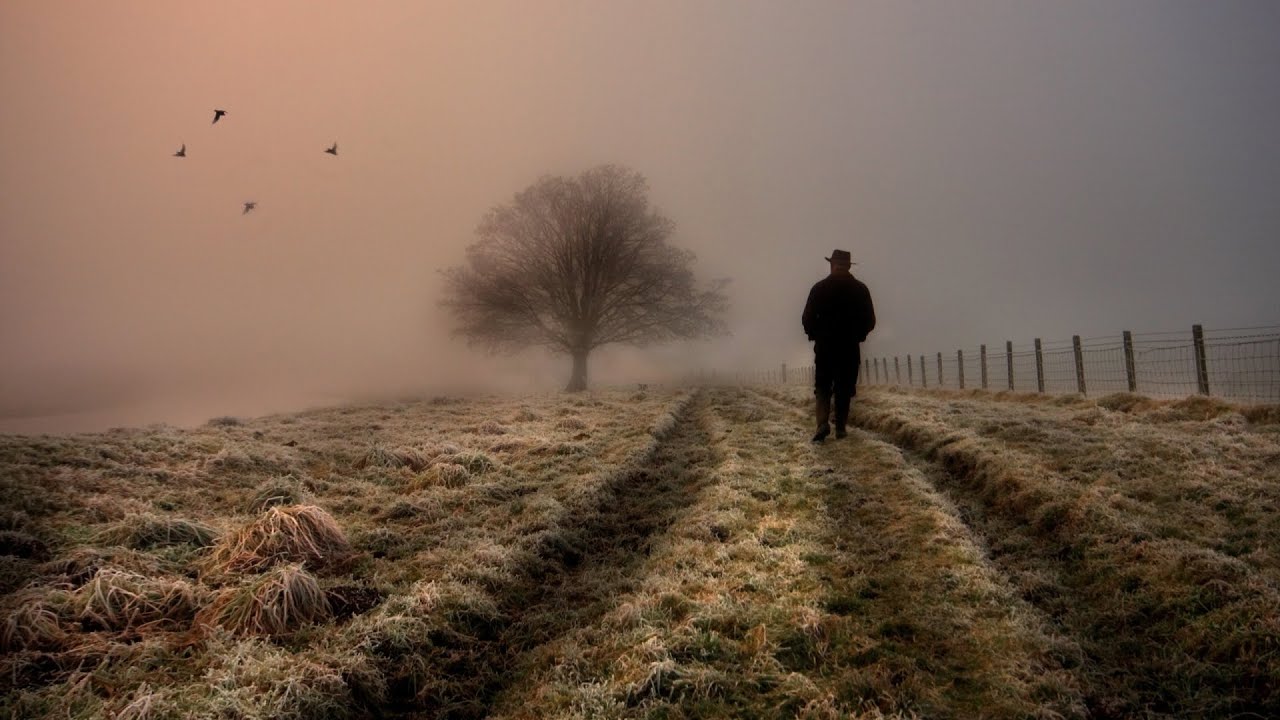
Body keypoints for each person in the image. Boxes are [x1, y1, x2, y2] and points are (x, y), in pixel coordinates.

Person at [802, 249, 876, 442]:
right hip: (849, 347)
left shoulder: (819, 288)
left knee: (823, 386)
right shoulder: (861, 289)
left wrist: (814, 334)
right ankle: (841, 427)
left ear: (831, 265)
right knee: (845, 387)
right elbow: (870, 320)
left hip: (825, 347)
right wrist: (859, 335)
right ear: (849, 266)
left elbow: (807, 318)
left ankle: (822, 424)